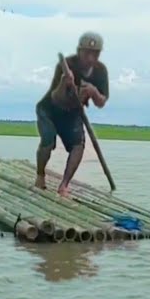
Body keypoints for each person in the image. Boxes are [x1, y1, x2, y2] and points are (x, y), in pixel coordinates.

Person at [35, 32, 109, 197]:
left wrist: (93, 91)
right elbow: (56, 98)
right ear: (79, 51)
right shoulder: (66, 65)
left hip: (73, 113)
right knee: (48, 141)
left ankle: (64, 185)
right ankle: (40, 175)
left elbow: (101, 102)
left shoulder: (100, 71)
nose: (90, 58)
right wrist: (64, 83)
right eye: (86, 53)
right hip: (50, 110)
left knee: (78, 145)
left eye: (95, 53)